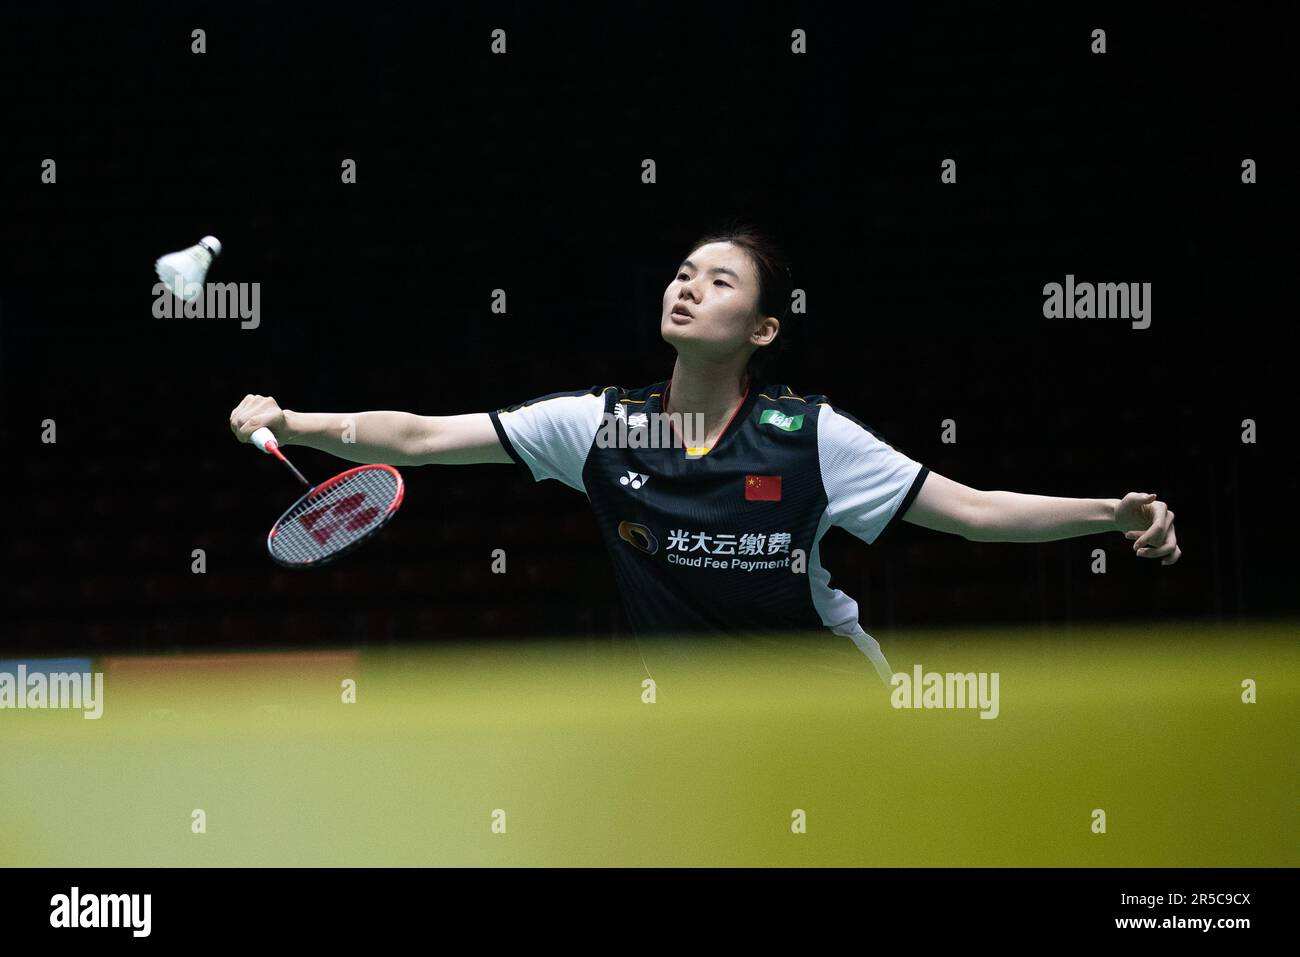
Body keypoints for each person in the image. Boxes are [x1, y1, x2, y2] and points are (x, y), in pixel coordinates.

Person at [229, 225, 1180, 681]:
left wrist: (1112, 512)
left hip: (830, 701)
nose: (689, 287)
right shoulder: (603, 426)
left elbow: (970, 510)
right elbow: (424, 438)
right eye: (684, 273)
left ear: (763, 329)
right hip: (697, 713)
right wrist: (295, 418)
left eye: (719, 281)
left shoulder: (810, 439)